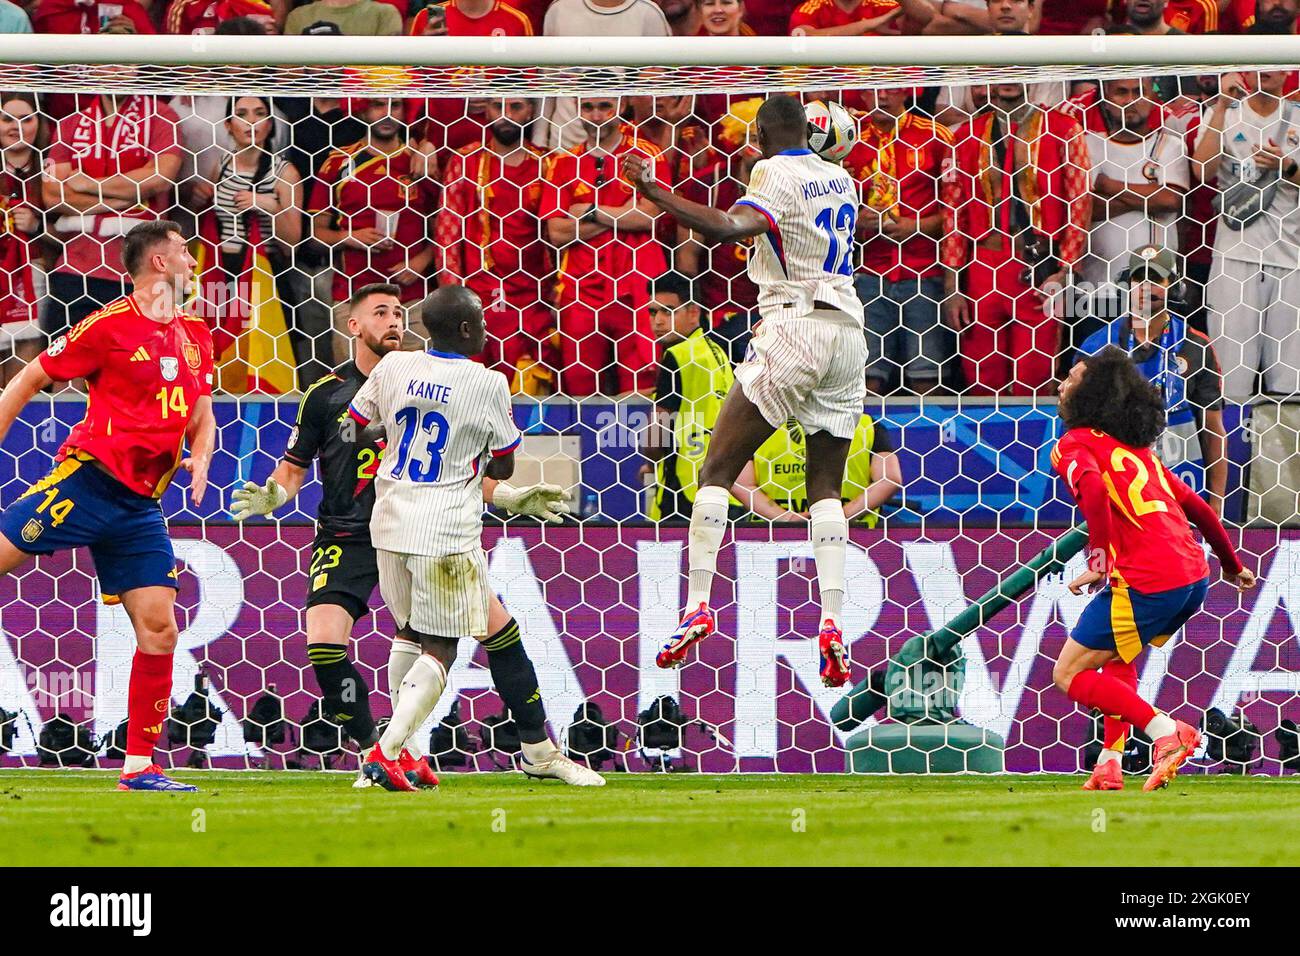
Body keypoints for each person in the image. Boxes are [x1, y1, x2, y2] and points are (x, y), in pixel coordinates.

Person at [230, 283, 598, 787]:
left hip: (392, 525)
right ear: (354, 325)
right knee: (354, 644)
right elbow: (296, 466)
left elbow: (428, 452)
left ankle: (445, 749)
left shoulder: (398, 373)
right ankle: (383, 751)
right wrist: (274, 494)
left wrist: (505, 497)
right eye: (380, 312)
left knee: (464, 632)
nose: (393, 320)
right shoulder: (333, 392)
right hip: (360, 533)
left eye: (400, 312)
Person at [622, 94, 867, 688]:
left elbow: (729, 225)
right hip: (850, 332)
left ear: (763, 132)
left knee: (716, 470)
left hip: (794, 324)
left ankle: (697, 605)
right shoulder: (842, 180)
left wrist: (654, 192)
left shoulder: (773, 169)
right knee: (826, 486)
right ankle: (832, 621)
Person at [0, 221, 214, 791]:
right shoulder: (107, 327)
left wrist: (202, 454)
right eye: (185, 256)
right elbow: (26, 379)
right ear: (160, 266)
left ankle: (140, 765)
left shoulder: (196, 332)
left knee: (160, 628)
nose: (193, 264)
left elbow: (202, 411)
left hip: (141, 506)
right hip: (87, 483)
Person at [1050, 346, 1254, 792]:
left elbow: (1093, 491)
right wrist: (1231, 564)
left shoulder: (1073, 444)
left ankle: (1166, 732)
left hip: (1149, 579)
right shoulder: (1137, 451)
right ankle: (1110, 761)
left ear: (1091, 397)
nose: (1063, 381)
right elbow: (1198, 505)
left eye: (1075, 376)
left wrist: (1099, 561)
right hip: (1191, 576)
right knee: (1119, 655)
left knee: (1067, 674)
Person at [941, 80, 1092, 395]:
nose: (1009, 78)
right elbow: (953, 213)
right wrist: (953, 286)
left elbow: (1080, 201)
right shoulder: (963, 135)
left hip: (1036, 268)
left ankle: (1033, 445)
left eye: (1018, 70)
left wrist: (1066, 270)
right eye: (1000, 71)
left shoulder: (1064, 128)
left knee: (1034, 378)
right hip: (984, 267)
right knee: (982, 377)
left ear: (1033, 76)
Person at [1075, 245, 1227, 514]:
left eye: (1156, 279)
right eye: (1138, 279)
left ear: (1174, 286)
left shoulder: (1196, 346)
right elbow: (1077, 431)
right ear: (1126, 284)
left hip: (1180, 487)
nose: (1145, 288)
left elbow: (1212, 427)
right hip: (1116, 491)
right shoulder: (1096, 347)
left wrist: (1216, 503)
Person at [541, 95, 668, 396]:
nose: (596, 115)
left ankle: (644, 446)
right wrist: (621, 211)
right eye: (588, 107)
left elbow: (648, 217)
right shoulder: (561, 162)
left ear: (621, 107)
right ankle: (586, 446)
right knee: (581, 387)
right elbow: (557, 232)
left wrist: (589, 210)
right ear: (577, 109)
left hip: (637, 286)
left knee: (642, 388)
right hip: (581, 289)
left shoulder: (646, 154)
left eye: (604, 106)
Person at [1193, 69, 1300, 402]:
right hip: (1234, 257)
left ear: (1287, 70)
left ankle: (1284, 451)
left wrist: (1287, 167)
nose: (1263, 71)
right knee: (1230, 375)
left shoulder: (1297, 117)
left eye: (1271, 63)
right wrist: (1222, 106)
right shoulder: (1225, 112)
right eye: (1255, 63)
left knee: (1290, 377)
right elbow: (1202, 170)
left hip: (1291, 258)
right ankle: (1229, 449)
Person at [435, 97, 554, 394]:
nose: (506, 116)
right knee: (477, 387)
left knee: (535, 383)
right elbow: (448, 232)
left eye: (516, 107)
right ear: (485, 110)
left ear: (531, 111)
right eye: (498, 107)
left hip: (536, 295)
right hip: (482, 293)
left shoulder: (549, 162)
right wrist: (454, 298)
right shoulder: (465, 160)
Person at [41, 92, 183, 337]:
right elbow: (53, 194)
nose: (115, 70)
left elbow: (161, 176)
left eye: (123, 62)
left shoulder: (162, 116)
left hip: (139, 270)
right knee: (64, 362)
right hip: (75, 267)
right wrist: (125, 197)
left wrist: (88, 184)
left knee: (137, 364)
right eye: (107, 63)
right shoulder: (70, 123)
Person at [309, 97, 437, 363]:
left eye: (396, 105)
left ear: (407, 111)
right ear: (362, 107)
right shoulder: (338, 162)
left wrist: (421, 262)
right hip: (353, 298)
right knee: (353, 389)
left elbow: (447, 228)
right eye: (379, 104)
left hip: (411, 302)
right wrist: (349, 238)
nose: (387, 114)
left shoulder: (419, 161)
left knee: (413, 390)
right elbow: (315, 234)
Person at [845, 87, 953, 395]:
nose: (880, 96)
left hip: (925, 271)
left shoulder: (937, 136)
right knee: (865, 378)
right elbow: (830, 205)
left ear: (907, 91)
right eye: (871, 89)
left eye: (889, 88)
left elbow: (960, 208)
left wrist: (916, 226)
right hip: (868, 271)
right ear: (861, 95)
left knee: (927, 374)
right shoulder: (847, 141)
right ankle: (865, 440)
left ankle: (929, 442)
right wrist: (855, 220)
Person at [641, 273, 738, 522]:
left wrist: (649, 460)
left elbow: (657, 432)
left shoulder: (678, 355)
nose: (659, 321)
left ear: (693, 312)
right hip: (727, 484)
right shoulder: (716, 351)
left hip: (684, 487)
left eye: (668, 311)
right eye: (653, 313)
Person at [735, 413, 902, 524]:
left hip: (770, 537)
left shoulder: (760, 425)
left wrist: (786, 518)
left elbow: (741, 483)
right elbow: (889, 479)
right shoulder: (866, 425)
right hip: (853, 536)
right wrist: (838, 516)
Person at [0, 91, 50, 385]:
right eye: (7, 119)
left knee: (27, 355)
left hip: (36, 271)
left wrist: (38, 226)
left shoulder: (53, 168)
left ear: (39, 123)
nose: (15, 127)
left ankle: (17, 426)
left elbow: (70, 229)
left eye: (25, 119)